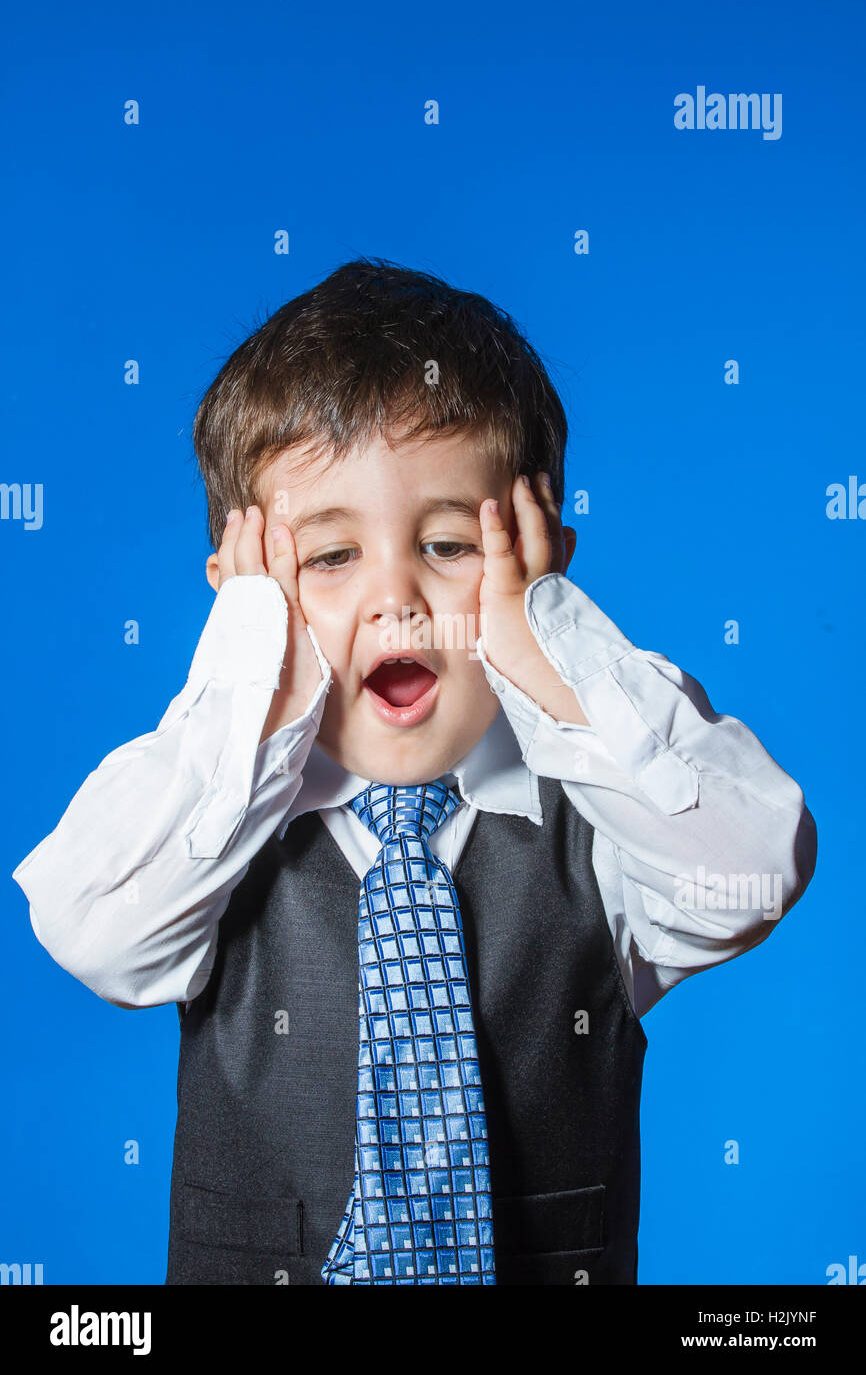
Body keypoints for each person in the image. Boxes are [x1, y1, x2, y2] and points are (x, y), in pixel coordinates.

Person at [11, 257, 817, 1285]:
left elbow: (753, 865)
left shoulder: (606, 835)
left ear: (542, 568)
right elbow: (94, 932)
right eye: (329, 557)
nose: (396, 596)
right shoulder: (206, 832)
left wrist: (554, 657)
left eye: (445, 544)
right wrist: (246, 674)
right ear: (245, 600)